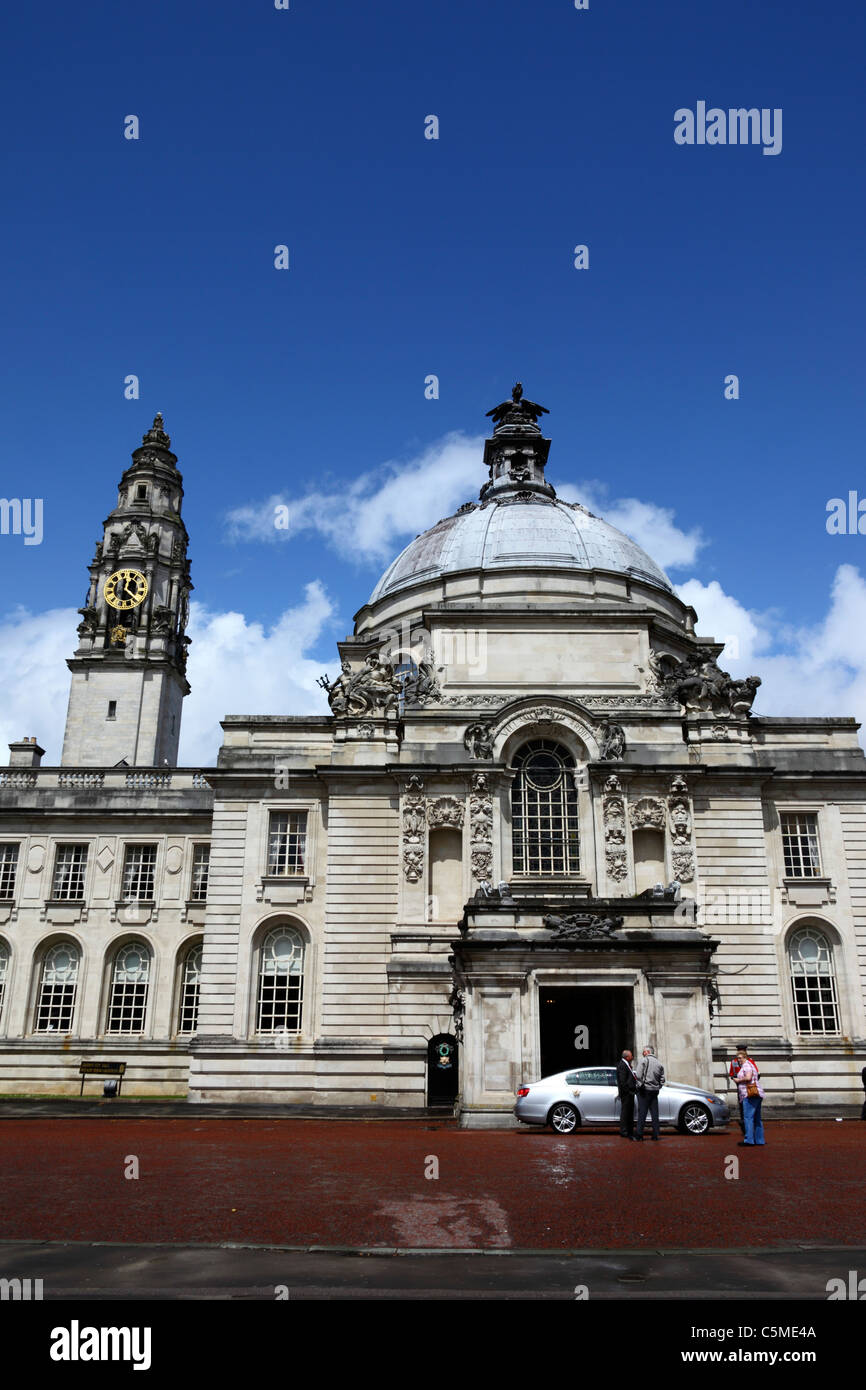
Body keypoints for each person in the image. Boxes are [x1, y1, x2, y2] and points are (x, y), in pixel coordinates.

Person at [735, 1050, 765, 1146]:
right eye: (738, 1058)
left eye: (740, 1058)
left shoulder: (746, 1065)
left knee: (748, 1117)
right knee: (757, 1118)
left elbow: (748, 1077)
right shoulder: (751, 1065)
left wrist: (738, 1080)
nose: (739, 1060)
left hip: (748, 1094)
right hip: (757, 1094)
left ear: (745, 1057)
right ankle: (759, 1140)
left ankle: (749, 1140)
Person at [634, 1046, 665, 1141]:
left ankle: (639, 1135)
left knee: (642, 1113)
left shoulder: (644, 1061)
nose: (642, 1053)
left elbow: (638, 1075)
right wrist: (657, 1087)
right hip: (654, 1091)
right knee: (655, 1113)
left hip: (644, 1090)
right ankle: (655, 1135)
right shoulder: (659, 1063)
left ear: (647, 1052)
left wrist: (639, 1084)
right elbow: (662, 1079)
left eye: (643, 1051)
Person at [729, 1042, 758, 1133]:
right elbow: (732, 1075)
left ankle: (748, 1125)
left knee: (748, 1107)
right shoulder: (735, 1062)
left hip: (748, 1087)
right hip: (742, 1088)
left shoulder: (749, 1061)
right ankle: (746, 1126)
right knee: (744, 1107)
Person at [617, 1049, 637, 1139]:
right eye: (631, 1056)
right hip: (627, 1093)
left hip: (629, 1092)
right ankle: (624, 1131)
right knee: (625, 1112)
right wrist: (628, 1091)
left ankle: (629, 1130)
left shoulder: (626, 1064)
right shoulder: (622, 1065)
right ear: (627, 1057)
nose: (632, 1057)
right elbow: (622, 1081)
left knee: (629, 1112)